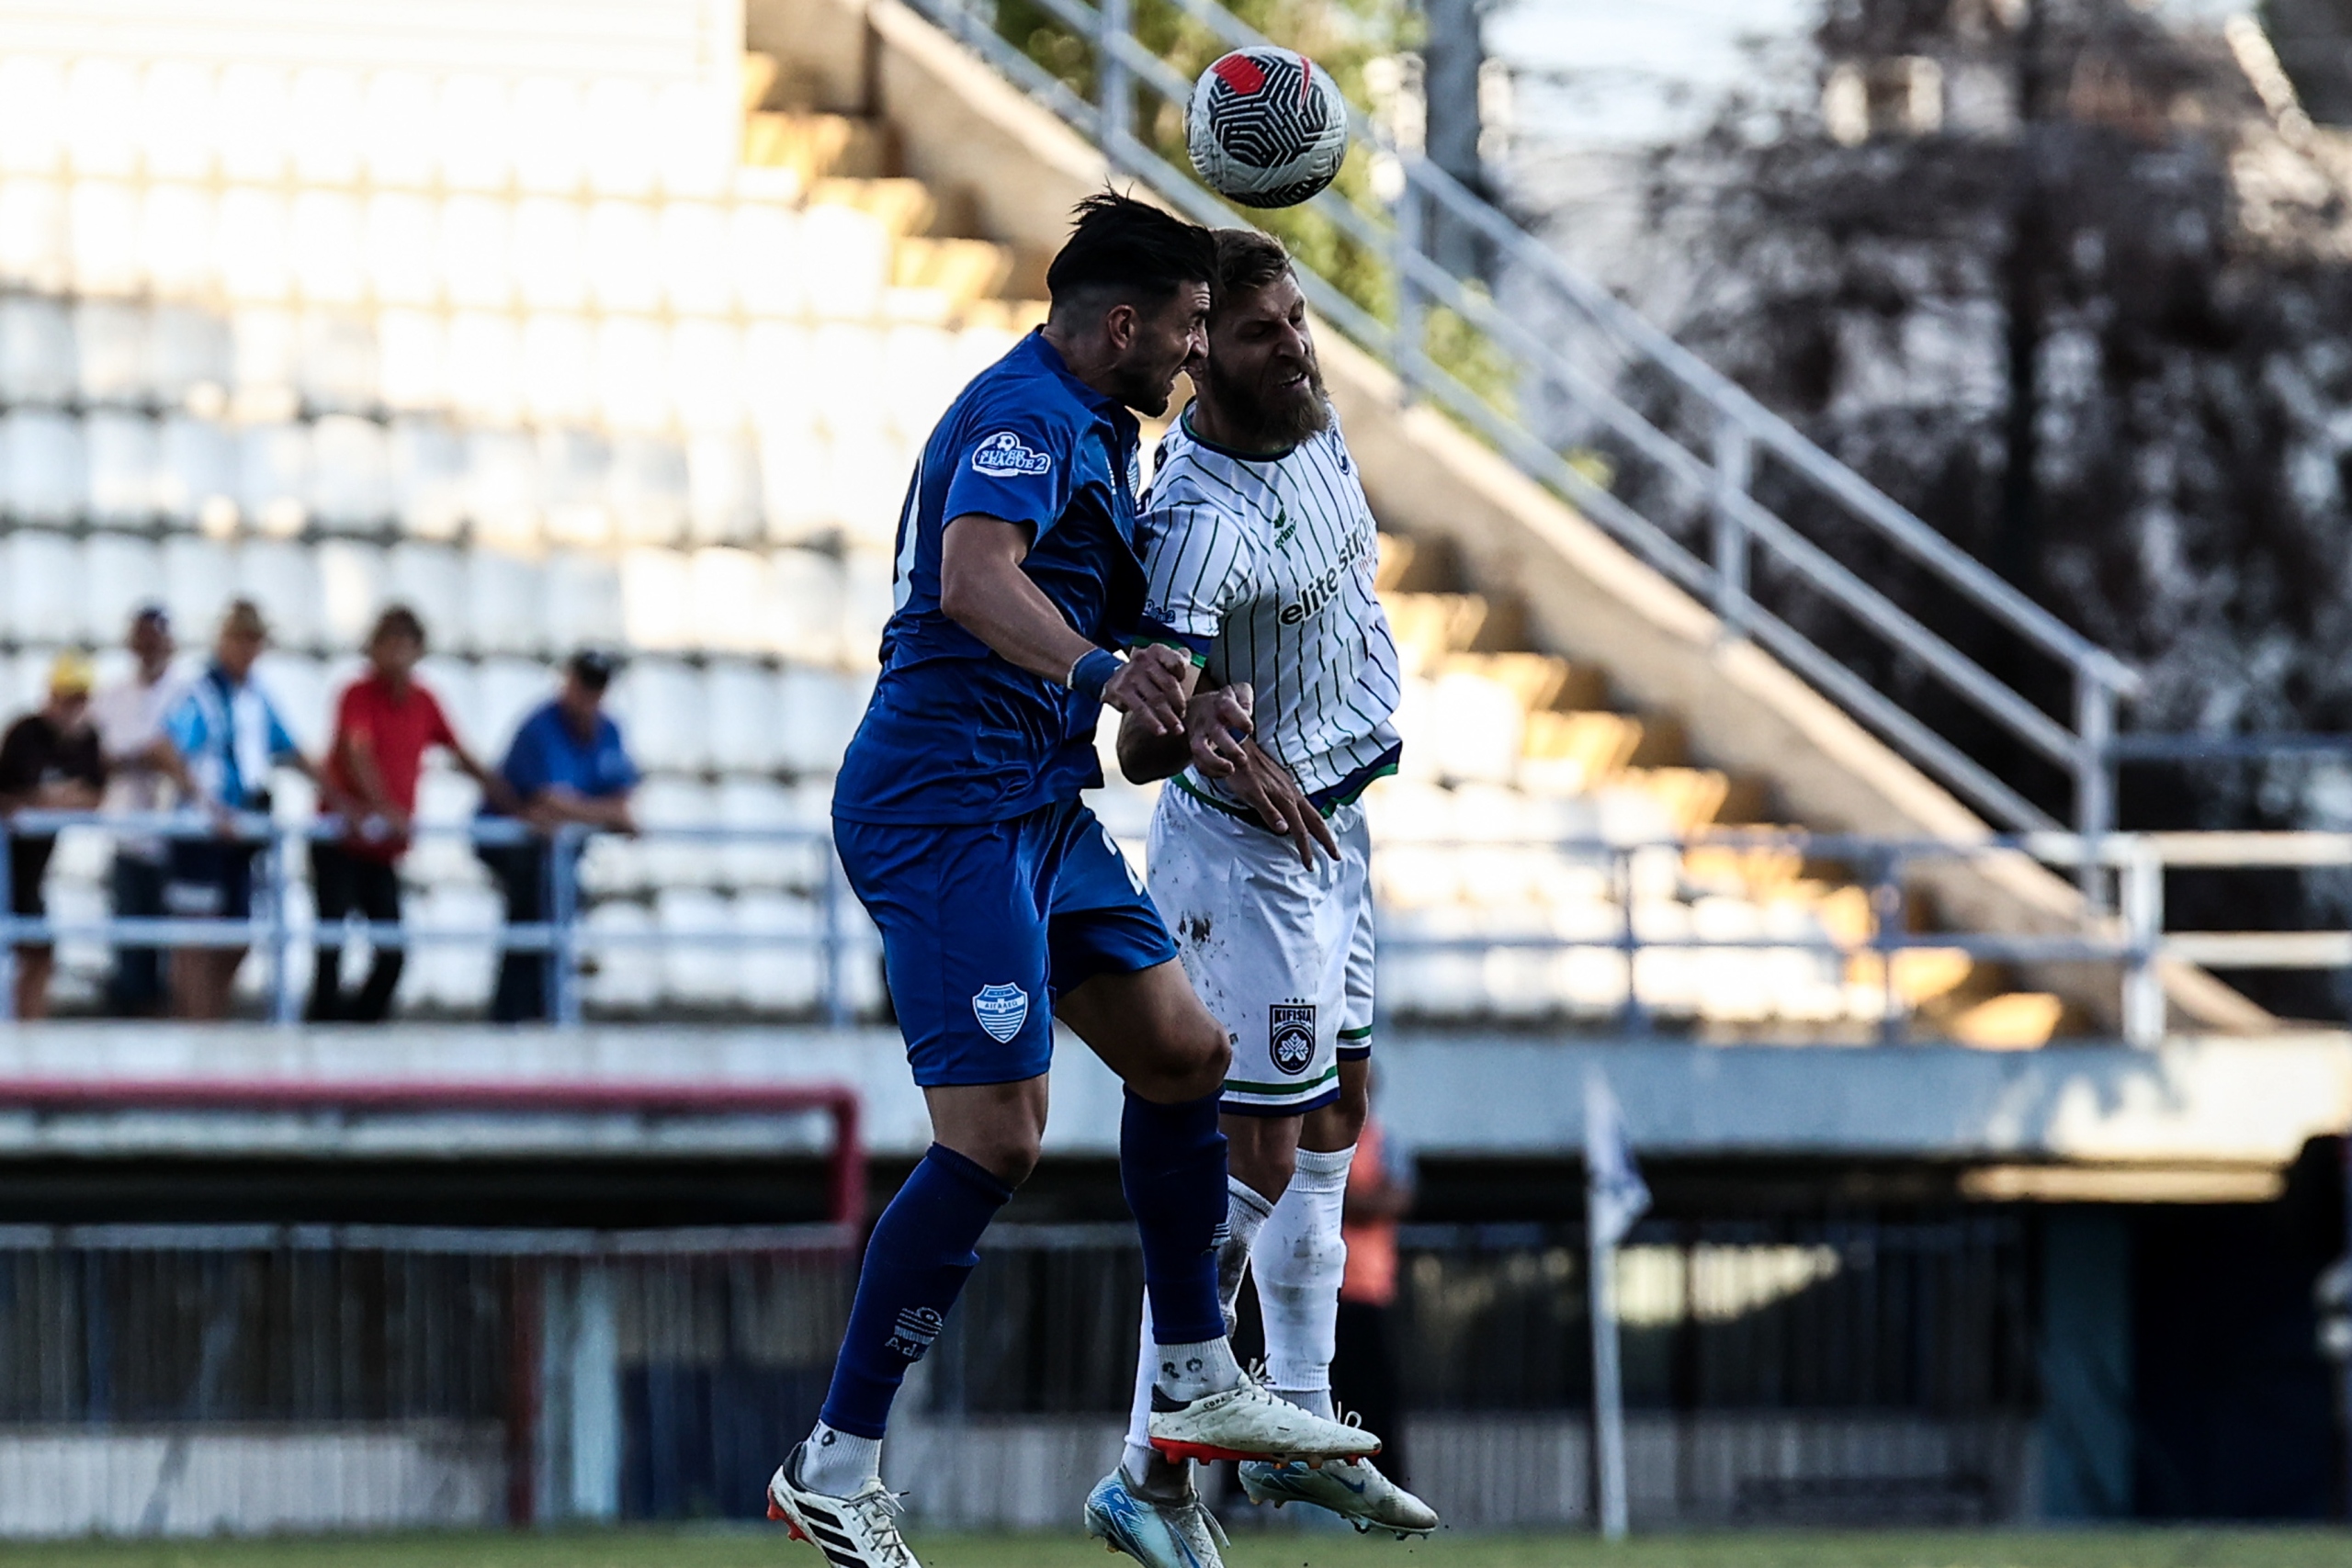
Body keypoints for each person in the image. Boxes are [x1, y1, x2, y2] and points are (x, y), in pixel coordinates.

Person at [764, 196, 1377, 1568]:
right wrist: (1105, 672)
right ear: (1123, 324)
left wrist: (1197, 709)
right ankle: (836, 1461)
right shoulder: (1024, 416)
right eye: (1182, 330)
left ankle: (1192, 1372)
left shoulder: (1103, 425)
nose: (1190, 356)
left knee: (1186, 1055)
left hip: (1038, 803)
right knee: (998, 1137)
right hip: (945, 812)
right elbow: (975, 580)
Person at [1104, 227, 1435, 1555]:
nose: (1295, 343)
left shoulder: (1314, 413)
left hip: (1338, 829)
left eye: (1295, 318)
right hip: (1241, 856)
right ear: (1204, 358)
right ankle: (1146, 1461)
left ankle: (1300, 1414)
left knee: (1338, 1112)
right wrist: (1212, 726)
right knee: (1250, 1156)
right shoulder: (1195, 521)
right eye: (1261, 332)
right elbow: (1135, 742)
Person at [311, 605, 512, 1022]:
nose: (398, 653)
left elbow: (460, 753)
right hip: (342, 838)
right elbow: (356, 750)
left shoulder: (424, 701)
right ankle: (325, 1024)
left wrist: (510, 799)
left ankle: (358, 1027)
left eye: (406, 642)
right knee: (330, 944)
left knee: (392, 951)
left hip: (382, 845)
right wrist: (385, 807)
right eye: (390, 642)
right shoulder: (357, 694)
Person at [148, 599, 323, 1021]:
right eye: (240, 639)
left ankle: (209, 1014)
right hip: (201, 833)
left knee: (238, 933)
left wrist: (342, 798)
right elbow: (164, 747)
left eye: (253, 640)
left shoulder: (257, 697)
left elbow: (293, 752)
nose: (246, 650)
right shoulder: (203, 695)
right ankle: (197, 1021)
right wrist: (207, 805)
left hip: (240, 834)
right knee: (195, 934)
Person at [480, 649, 637, 1023]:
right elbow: (545, 801)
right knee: (535, 906)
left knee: (547, 908)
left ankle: (536, 1005)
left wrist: (575, 812)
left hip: (554, 847)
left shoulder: (607, 729)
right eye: (583, 684)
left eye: (596, 686)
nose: (588, 695)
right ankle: (520, 1010)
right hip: (512, 840)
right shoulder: (541, 727)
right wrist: (602, 814)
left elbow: (615, 801)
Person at [0, 652, 107, 1019]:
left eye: (80, 697)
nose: (74, 705)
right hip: (10, 863)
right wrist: (54, 798)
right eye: (68, 695)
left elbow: (93, 798)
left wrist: (45, 799)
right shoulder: (25, 734)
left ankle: (27, 1032)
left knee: (40, 950)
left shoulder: (86, 740)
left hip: (31, 870)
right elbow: (15, 798)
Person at [91, 605, 186, 1015]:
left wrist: (146, 757)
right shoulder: (112, 696)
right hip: (128, 832)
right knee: (130, 938)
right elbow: (98, 757)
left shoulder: (185, 694)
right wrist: (148, 757)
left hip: (175, 836)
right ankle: (134, 1010)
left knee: (172, 941)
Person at [1333, 1104, 1416, 1493]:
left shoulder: (1383, 1143)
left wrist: (1344, 1197)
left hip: (1368, 1293)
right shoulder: (1316, 1136)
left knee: (1376, 1405)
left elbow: (1398, 1199)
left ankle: (1387, 1491)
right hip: (1318, 1295)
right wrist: (1366, 1198)